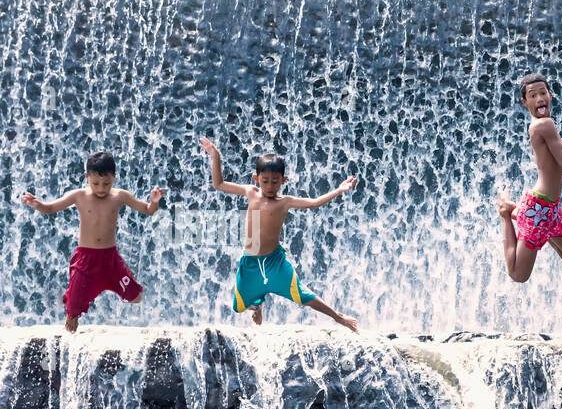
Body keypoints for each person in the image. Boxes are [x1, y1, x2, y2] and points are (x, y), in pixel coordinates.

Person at [199, 137, 359, 331]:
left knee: (302, 295)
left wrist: (340, 189)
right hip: (250, 261)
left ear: (283, 180)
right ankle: (256, 305)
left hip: (275, 261)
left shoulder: (285, 201)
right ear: (255, 179)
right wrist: (215, 155)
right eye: (265, 181)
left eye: (275, 182)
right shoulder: (250, 192)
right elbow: (219, 184)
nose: (270, 186)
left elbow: (315, 202)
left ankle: (338, 317)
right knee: (238, 306)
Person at [21, 151, 162, 332]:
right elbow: (50, 208)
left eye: (107, 183)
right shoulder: (78, 195)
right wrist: (37, 203)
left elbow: (148, 210)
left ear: (114, 178)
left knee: (136, 297)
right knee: (73, 314)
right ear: (87, 177)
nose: (101, 188)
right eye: (95, 183)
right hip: (86, 259)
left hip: (110, 259)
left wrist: (154, 201)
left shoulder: (120, 196)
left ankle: (80, 292)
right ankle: (72, 309)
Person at [496, 73, 562, 283]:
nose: (539, 98)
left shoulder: (548, 128)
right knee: (518, 275)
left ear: (550, 96)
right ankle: (507, 212)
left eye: (543, 93)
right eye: (533, 95)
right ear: (525, 102)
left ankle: (519, 212)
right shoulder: (543, 125)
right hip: (538, 209)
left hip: (551, 211)